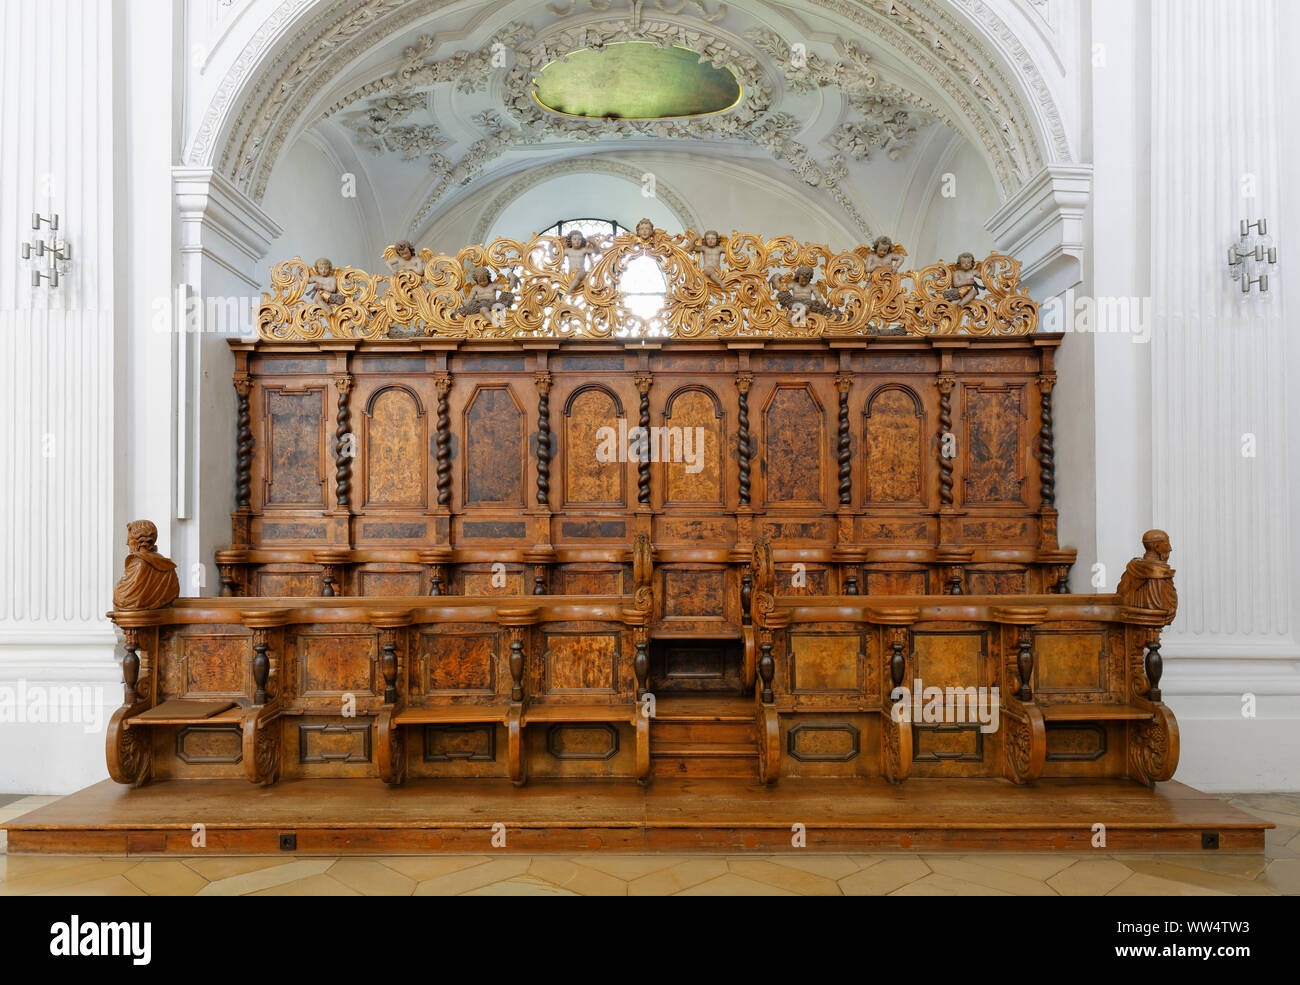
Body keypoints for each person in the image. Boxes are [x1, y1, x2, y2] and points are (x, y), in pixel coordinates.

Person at [112, 520, 180, 610]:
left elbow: (124, 599)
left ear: (139, 540)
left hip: (140, 619)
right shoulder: (166, 564)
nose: (127, 542)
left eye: (129, 539)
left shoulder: (139, 563)